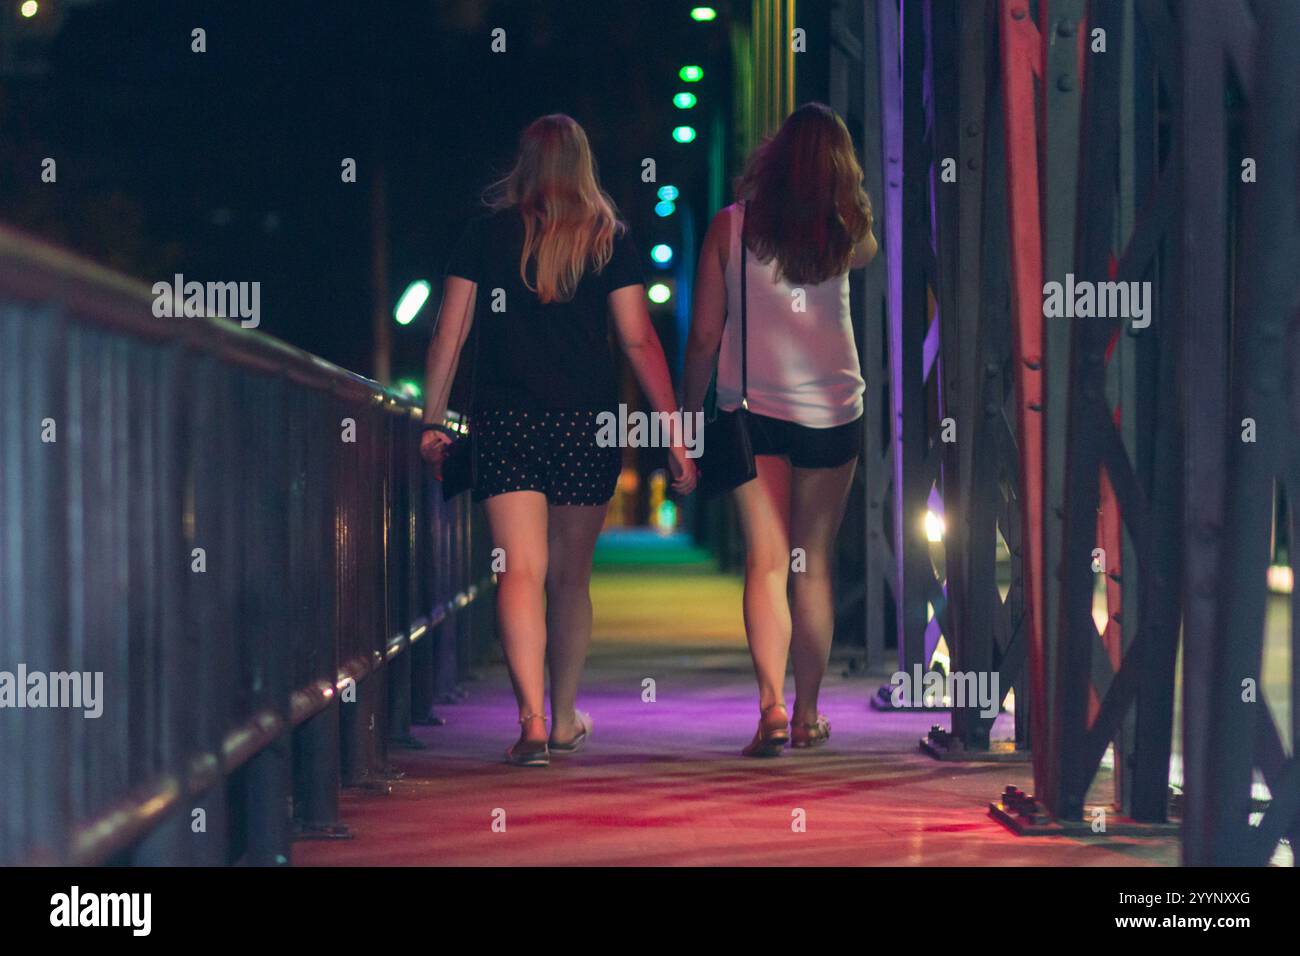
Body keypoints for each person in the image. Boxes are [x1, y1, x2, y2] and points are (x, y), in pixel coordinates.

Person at [419, 114, 696, 766]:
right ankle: (566, 713)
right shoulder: (608, 240)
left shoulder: (485, 235)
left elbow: (449, 334)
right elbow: (638, 340)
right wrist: (674, 435)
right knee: (571, 580)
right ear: (582, 165)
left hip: (506, 421)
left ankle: (533, 723)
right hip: (587, 425)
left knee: (519, 570)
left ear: (526, 165)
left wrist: (434, 420)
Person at [683, 103, 877, 757]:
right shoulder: (847, 229)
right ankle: (808, 713)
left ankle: (769, 704)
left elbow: (705, 337)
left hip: (753, 414)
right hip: (832, 413)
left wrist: (687, 417)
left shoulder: (729, 228)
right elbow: (871, 241)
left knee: (766, 563)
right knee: (811, 565)